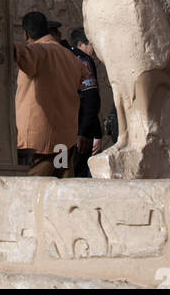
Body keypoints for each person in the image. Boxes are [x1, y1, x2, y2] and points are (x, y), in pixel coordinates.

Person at [14, 10, 89, 175]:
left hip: (38, 146)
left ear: (26, 34)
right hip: (64, 143)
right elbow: (83, 79)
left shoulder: (38, 51)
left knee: (32, 190)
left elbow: (20, 52)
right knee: (59, 188)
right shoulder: (70, 56)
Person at [70, 26, 103, 177]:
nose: (95, 49)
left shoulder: (64, 57)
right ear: (80, 45)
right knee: (78, 175)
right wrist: (91, 133)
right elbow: (91, 99)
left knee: (61, 172)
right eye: (92, 45)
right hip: (79, 136)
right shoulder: (82, 60)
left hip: (61, 137)